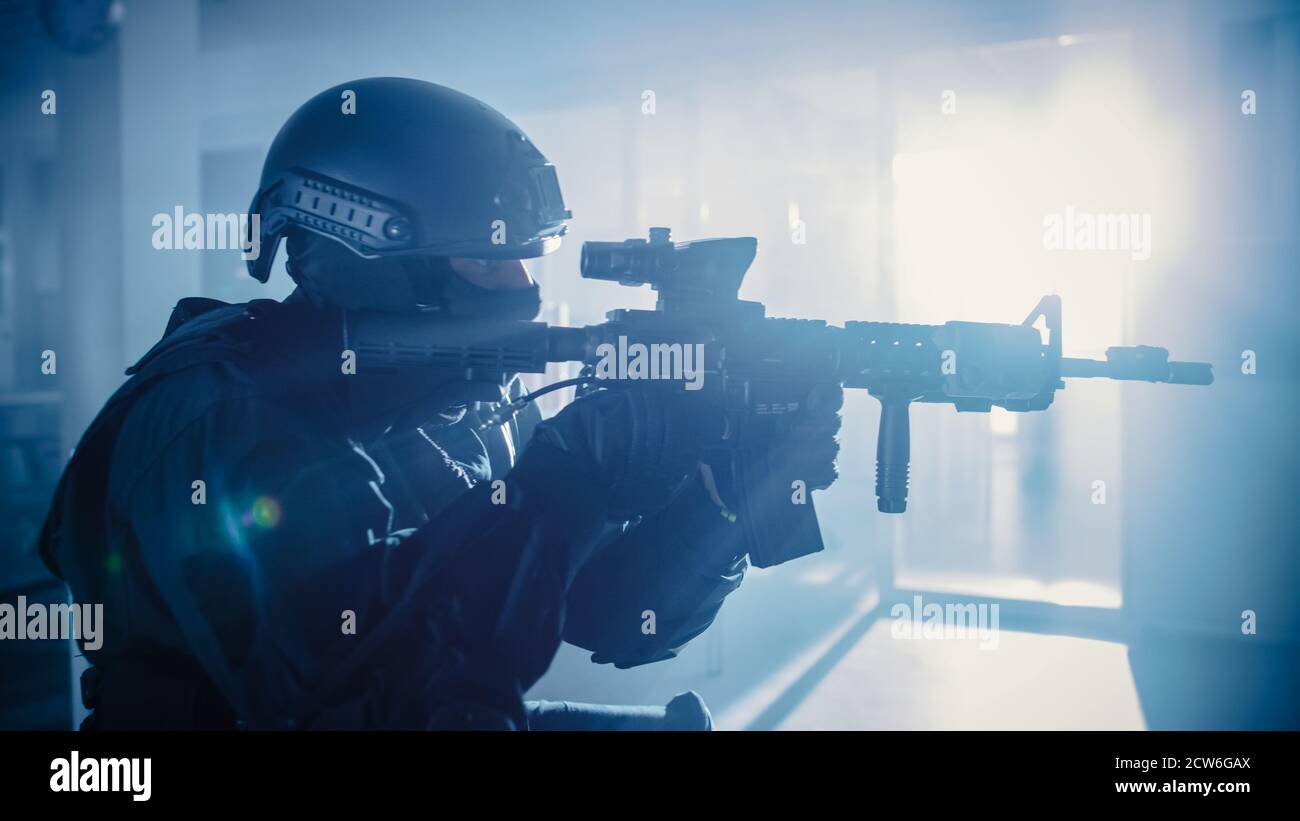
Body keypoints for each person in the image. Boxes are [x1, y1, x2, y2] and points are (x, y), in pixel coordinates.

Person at [39, 77, 841, 730]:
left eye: (525, 261)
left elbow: (602, 610)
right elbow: (359, 693)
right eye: (487, 262)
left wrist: (722, 500)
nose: (525, 292)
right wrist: (569, 479)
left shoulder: (464, 400)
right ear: (376, 250)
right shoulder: (214, 421)